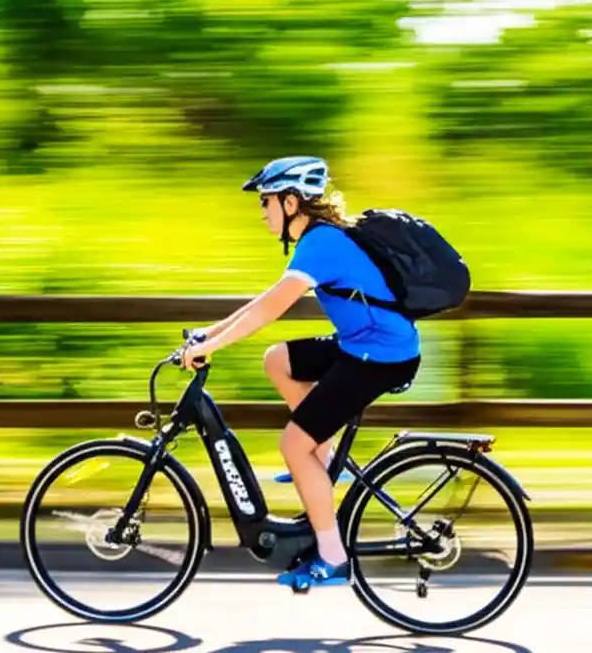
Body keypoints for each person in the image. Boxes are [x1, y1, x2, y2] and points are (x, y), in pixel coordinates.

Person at [179, 155, 421, 589]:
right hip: (362, 344)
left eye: (266, 203)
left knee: (293, 444)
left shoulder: (322, 243)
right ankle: (325, 462)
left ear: (292, 203)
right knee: (278, 360)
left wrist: (214, 345)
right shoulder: (319, 240)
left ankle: (332, 556)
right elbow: (263, 301)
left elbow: (271, 308)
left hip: (381, 355)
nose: (263, 214)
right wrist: (208, 333)